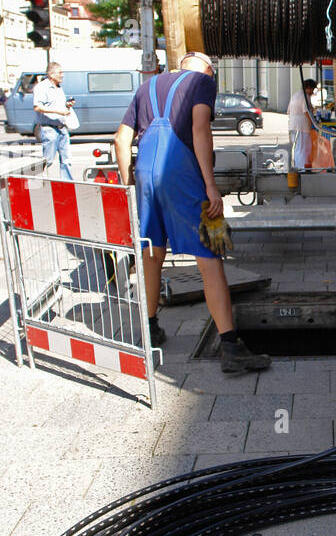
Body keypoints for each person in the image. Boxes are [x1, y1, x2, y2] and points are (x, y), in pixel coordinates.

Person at [113, 51, 271, 374]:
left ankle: (150, 327)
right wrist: (211, 187)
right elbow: (200, 130)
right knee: (210, 255)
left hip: (144, 175)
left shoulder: (147, 86)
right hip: (183, 175)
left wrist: (130, 184)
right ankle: (231, 347)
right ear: (208, 70)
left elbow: (120, 140)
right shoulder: (202, 82)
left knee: (151, 254)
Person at [33, 61, 74, 181]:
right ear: (51, 74)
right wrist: (59, 112)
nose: (62, 75)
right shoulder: (42, 87)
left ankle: (68, 184)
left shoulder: (58, 88)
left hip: (62, 127)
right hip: (49, 128)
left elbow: (58, 106)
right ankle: (42, 181)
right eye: (60, 72)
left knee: (66, 159)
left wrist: (67, 105)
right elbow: (37, 107)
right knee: (48, 159)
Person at [287, 77, 317, 171]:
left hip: (293, 125)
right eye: (313, 89)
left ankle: (299, 168)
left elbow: (288, 111)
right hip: (302, 127)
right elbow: (306, 112)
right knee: (303, 149)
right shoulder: (305, 96)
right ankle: (303, 169)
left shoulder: (295, 95)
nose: (313, 92)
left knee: (297, 149)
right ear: (308, 87)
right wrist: (314, 123)